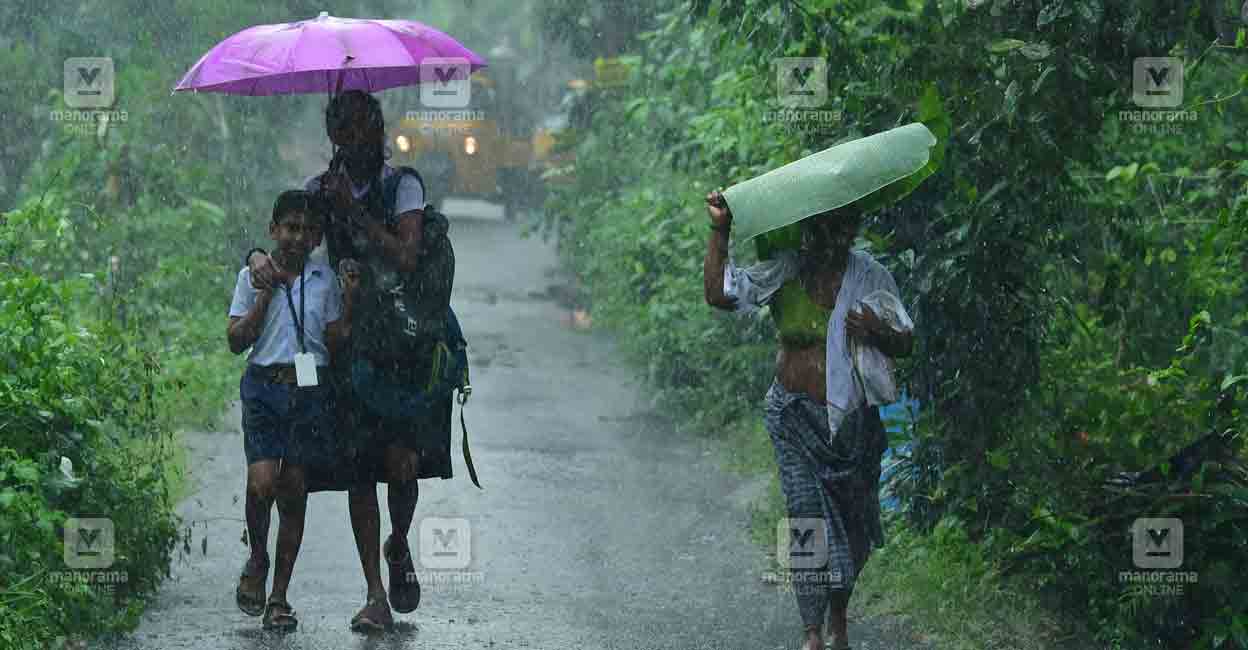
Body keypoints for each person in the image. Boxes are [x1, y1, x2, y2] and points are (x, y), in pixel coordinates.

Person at [244, 90, 457, 632]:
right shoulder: (318, 190)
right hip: (346, 351)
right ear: (334, 135)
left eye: (365, 128)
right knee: (361, 469)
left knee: (402, 466)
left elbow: (406, 255)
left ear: (379, 131)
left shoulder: (401, 184)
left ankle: (400, 543)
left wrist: (353, 212)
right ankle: (375, 597)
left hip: (403, 350)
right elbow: (296, 247)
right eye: (345, 129)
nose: (356, 139)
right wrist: (256, 260)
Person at [702, 190, 913, 650]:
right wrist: (720, 229)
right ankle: (812, 631)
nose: (830, 240)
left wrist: (874, 330)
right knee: (804, 518)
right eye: (820, 229)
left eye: (840, 229)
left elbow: (905, 340)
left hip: (854, 425)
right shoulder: (787, 270)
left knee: (854, 530)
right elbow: (719, 294)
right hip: (793, 416)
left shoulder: (872, 277)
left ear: (851, 231)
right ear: (807, 231)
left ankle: (839, 616)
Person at [228, 190, 349, 632]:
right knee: (261, 485)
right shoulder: (252, 274)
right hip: (263, 386)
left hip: (307, 392)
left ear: (317, 236)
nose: (297, 237)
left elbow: (334, 344)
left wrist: (349, 304)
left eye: (306, 230)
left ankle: (279, 596)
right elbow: (236, 340)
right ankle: (258, 557)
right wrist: (266, 292)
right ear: (273, 230)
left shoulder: (325, 280)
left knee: (293, 490)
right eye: (289, 228)